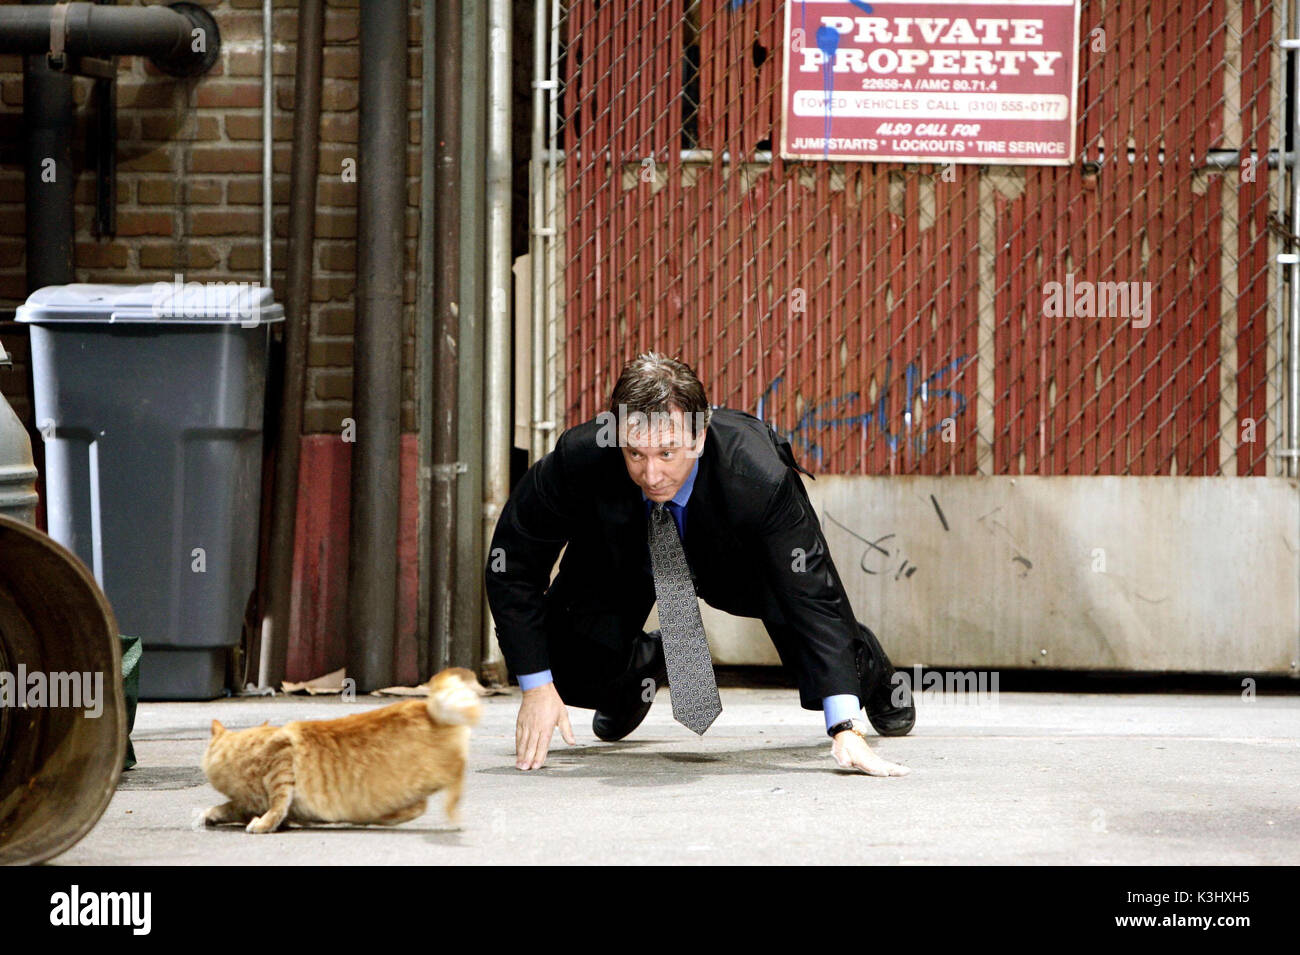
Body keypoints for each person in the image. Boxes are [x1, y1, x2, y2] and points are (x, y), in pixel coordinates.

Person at [485, 353, 914, 777]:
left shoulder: (758, 475)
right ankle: (643, 665)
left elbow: (814, 595)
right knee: (563, 667)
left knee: (813, 643)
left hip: (733, 558)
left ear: (699, 437)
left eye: (668, 453)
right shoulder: (578, 459)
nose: (651, 475)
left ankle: (869, 667)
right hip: (625, 556)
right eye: (635, 454)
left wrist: (844, 724)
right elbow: (512, 565)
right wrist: (536, 687)